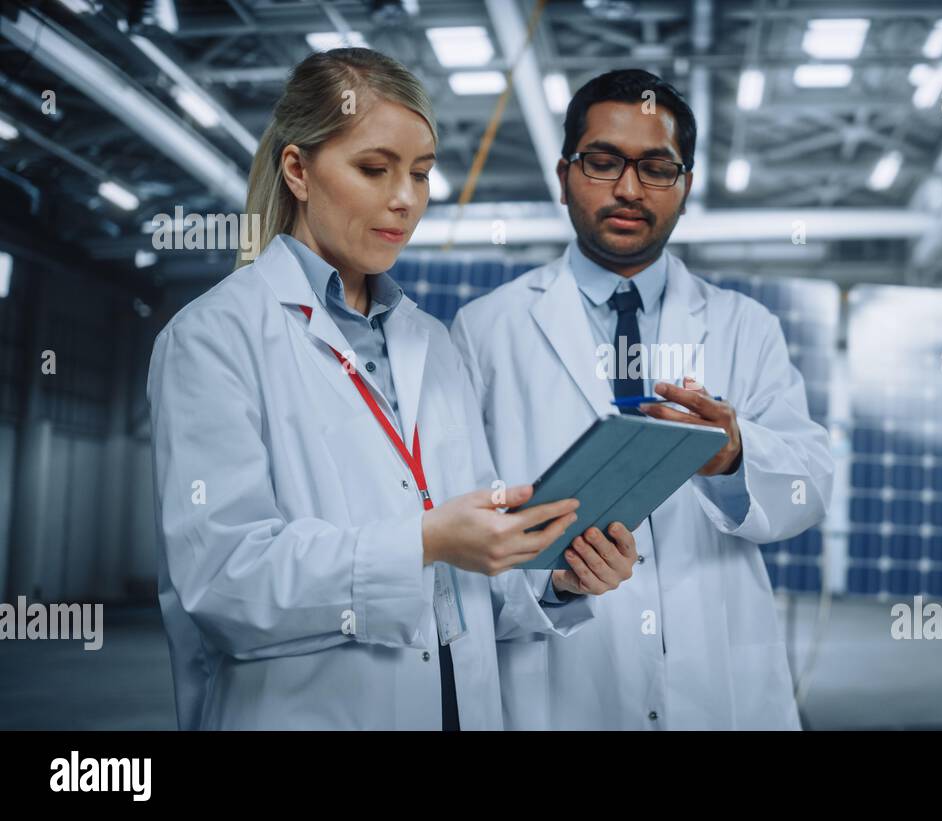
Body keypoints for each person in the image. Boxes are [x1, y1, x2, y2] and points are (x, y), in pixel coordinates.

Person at [147, 48, 636, 730]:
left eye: (422, 173)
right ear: (298, 170)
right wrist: (423, 541)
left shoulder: (432, 344)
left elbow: (461, 589)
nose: (405, 199)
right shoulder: (212, 338)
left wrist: (555, 576)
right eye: (374, 169)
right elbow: (225, 581)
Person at [450, 69, 833, 730]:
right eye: (603, 162)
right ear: (565, 171)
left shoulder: (744, 325)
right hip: (563, 679)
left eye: (657, 166)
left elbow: (809, 486)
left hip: (719, 685)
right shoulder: (485, 332)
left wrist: (734, 455)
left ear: (685, 184)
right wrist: (553, 582)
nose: (628, 188)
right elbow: (462, 526)